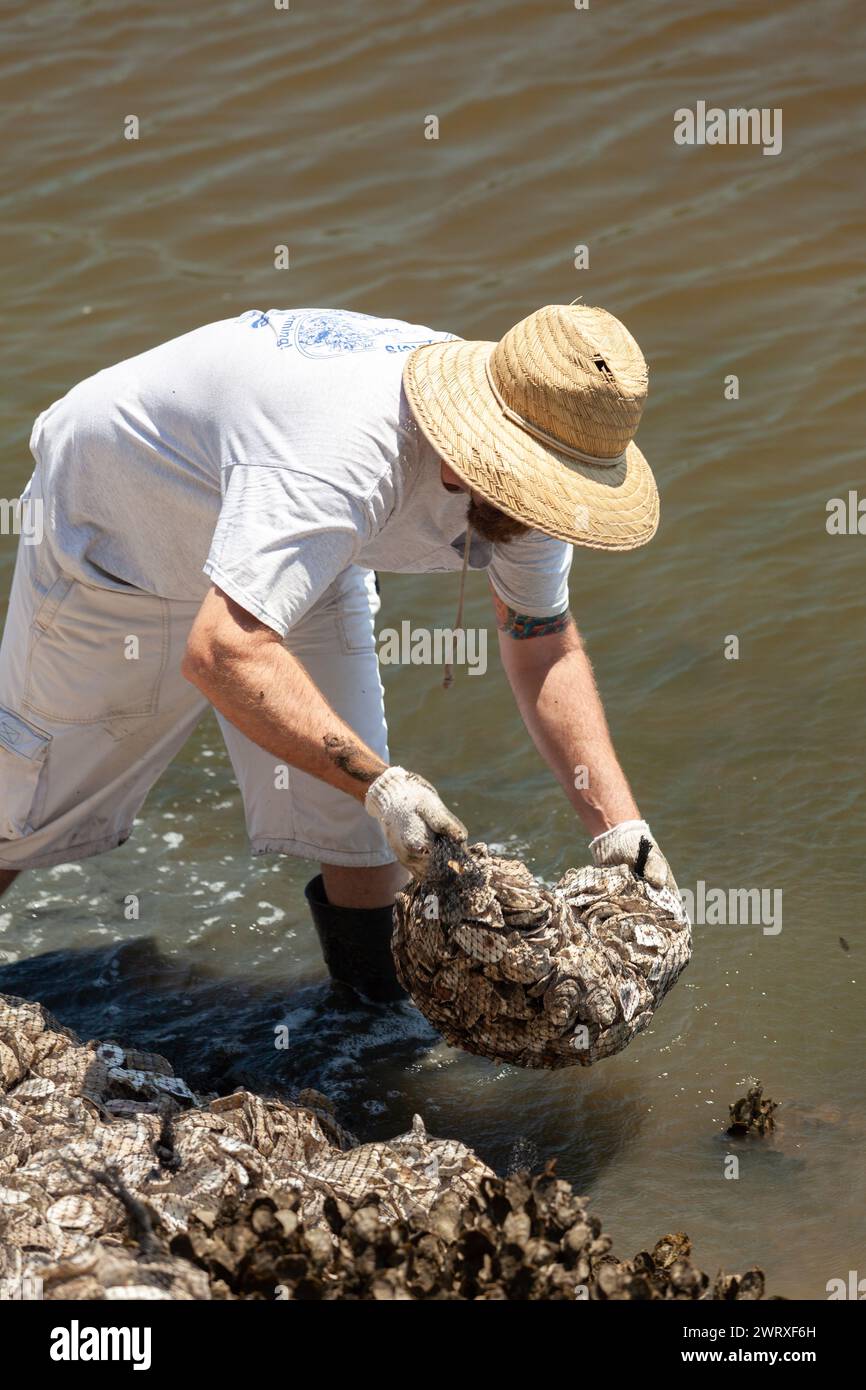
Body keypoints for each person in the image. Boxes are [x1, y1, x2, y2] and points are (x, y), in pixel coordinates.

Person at [0, 302, 680, 1000]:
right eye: (519, 484)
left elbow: (543, 649)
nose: (534, 513)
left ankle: (366, 1038)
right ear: (467, 441)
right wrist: (381, 784)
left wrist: (622, 831)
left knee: (361, 834)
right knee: (24, 805)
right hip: (120, 527)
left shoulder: (545, 456)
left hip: (297, 537)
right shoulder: (340, 457)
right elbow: (223, 651)